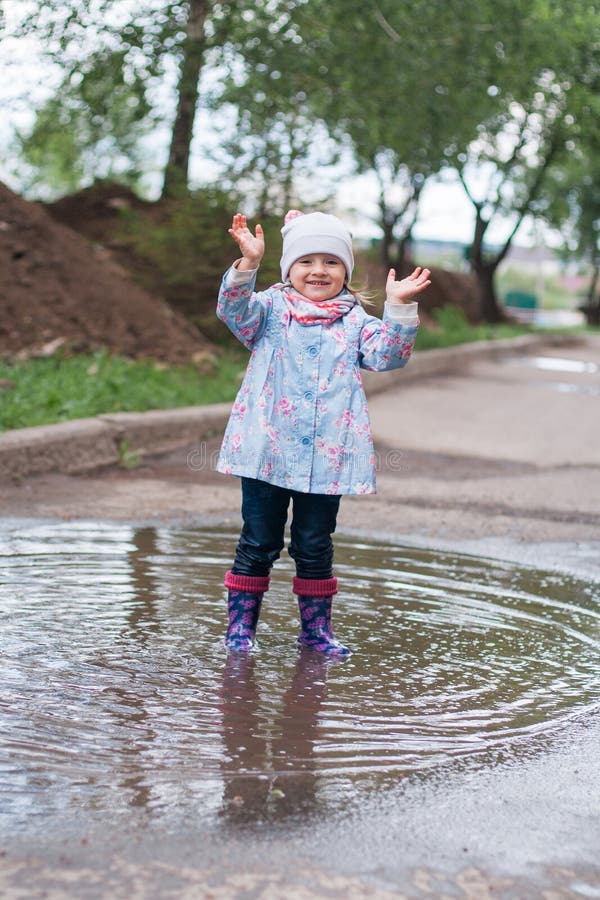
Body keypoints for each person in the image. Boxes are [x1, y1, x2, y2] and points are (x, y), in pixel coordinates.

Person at [216, 209, 431, 656]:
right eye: (307, 261)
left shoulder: (354, 323)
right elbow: (232, 311)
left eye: (331, 262)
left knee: (315, 545)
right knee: (258, 541)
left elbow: (389, 356)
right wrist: (248, 266)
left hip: (326, 460)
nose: (319, 271)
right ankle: (240, 631)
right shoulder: (270, 311)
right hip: (266, 452)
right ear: (289, 268)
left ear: (346, 272)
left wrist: (399, 307)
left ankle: (315, 633)